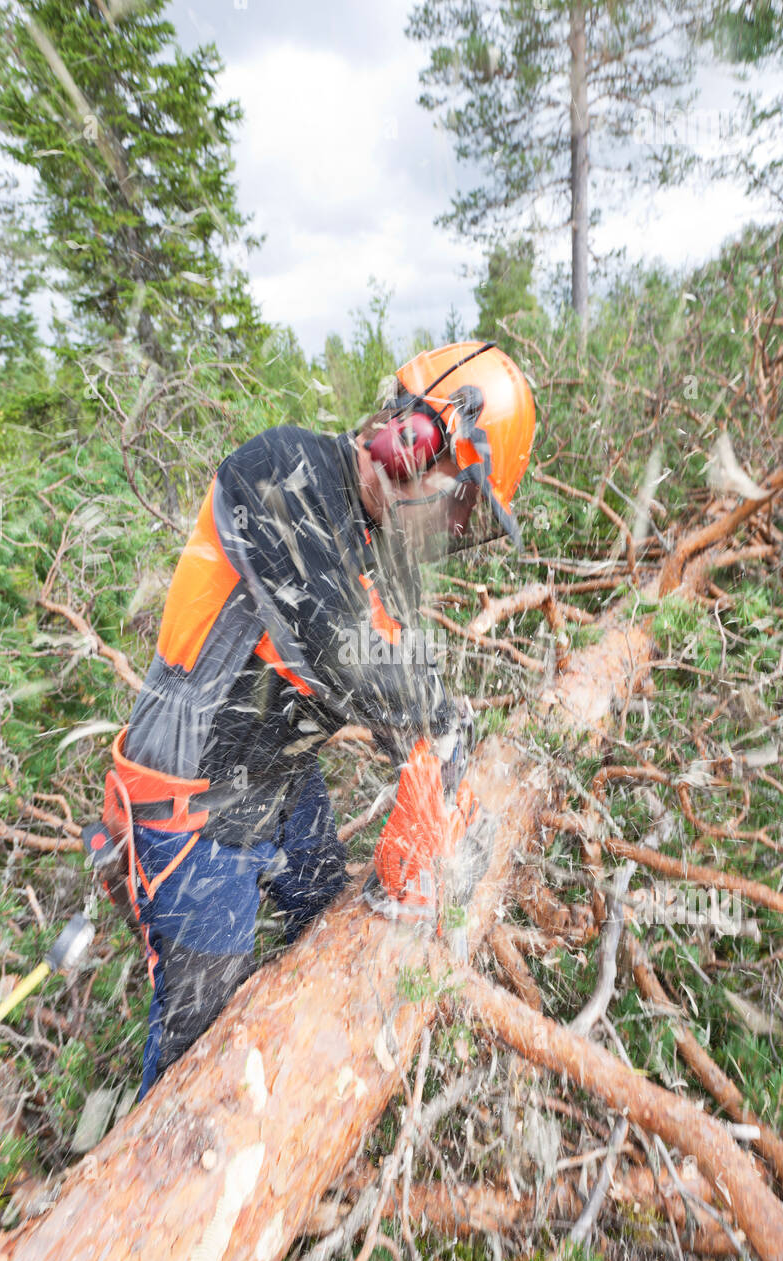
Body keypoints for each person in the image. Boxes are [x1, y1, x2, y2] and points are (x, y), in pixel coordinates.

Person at [99, 340, 535, 1098]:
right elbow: (342, 641)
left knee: (331, 915)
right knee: (197, 1058)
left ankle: (308, 1078)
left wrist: (448, 761)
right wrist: (431, 728)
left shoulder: (375, 539)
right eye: (460, 501)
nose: (452, 525)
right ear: (414, 441)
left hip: (283, 781)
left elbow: (405, 653)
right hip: (189, 814)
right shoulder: (281, 472)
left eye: (469, 518)